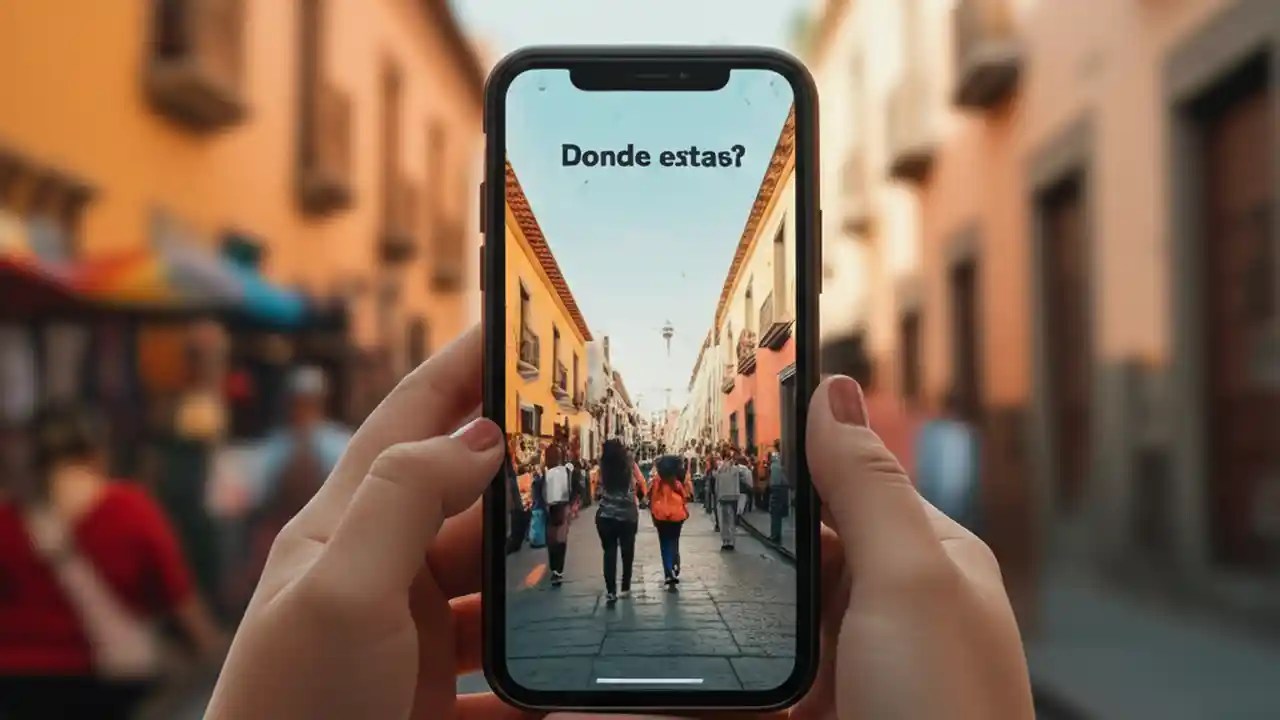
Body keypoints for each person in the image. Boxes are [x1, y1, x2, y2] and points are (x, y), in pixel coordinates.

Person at [202, 327, 1034, 720]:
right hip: (638, 517)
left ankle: (608, 577)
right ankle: (658, 574)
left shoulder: (614, 467)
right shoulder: (653, 470)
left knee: (605, 546)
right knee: (652, 544)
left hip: (599, 518)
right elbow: (641, 489)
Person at [0, 407, 224, 720]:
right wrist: (214, 648)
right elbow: (179, 597)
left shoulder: (8, 517)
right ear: (96, 452)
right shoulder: (129, 507)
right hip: (108, 679)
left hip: (18, 677)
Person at [237, 367, 350, 612]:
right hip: (279, 537)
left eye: (310, 401)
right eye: (299, 401)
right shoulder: (272, 449)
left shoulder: (342, 445)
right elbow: (255, 502)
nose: (303, 408)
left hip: (329, 538)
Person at [915, 391, 982, 535]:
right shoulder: (965, 433)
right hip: (957, 498)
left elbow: (925, 466)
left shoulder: (934, 431)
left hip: (943, 498)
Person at [593, 439, 645, 604]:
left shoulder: (603, 465)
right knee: (627, 550)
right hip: (627, 513)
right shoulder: (629, 461)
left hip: (606, 514)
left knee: (609, 552)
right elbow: (641, 481)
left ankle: (611, 591)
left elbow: (597, 487)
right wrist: (639, 497)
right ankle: (625, 586)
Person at [649, 454, 693, 587]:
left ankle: (668, 571)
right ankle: (675, 564)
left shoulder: (657, 480)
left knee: (664, 543)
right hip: (676, 515)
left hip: (661, 515)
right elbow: (685, 495)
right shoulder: (677, 482)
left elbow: (652, 495)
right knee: (674, 540)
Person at [540, 444, 572, 587]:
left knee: (551, 540)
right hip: (563, 506)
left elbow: (542, 492)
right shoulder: (567, 470)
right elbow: (571, 489)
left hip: (550, 507)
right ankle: (559, 570)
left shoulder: (545, 473)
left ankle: (554, 568)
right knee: (561, 539)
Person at [711, 449, 742, 549]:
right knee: (731, 519)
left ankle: (725, 541)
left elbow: (715, 479)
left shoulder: (719, 470)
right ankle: (731, 541)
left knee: (723, 520)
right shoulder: (735, 469)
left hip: (722, 496)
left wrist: (717, 494)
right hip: (732, 496)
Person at [768, 441, 789, 543]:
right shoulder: (782, 459)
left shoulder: (776, 459)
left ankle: (775, 535)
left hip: (777, 487)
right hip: (781, 487)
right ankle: (776, 534)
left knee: (775, 512)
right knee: (777, 513)